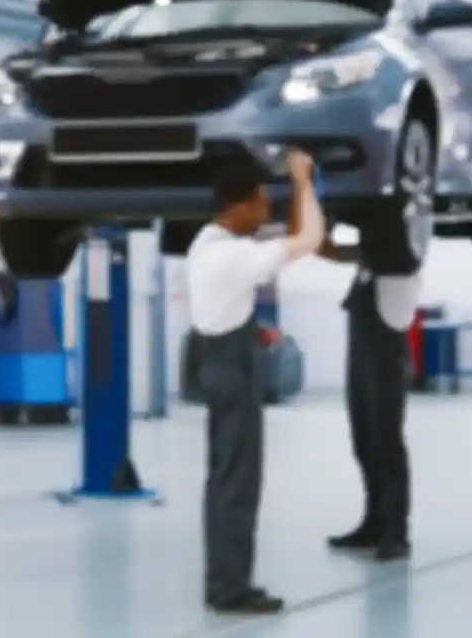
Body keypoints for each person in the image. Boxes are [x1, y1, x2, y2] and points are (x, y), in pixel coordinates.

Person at [186, 150, 323, 613]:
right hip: (232, 370)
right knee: (237, 482)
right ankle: (230, 589)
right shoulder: (233, 255)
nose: (266, 209)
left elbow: (225, 300)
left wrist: (251, 327)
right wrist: (303, 181)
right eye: (262, 202)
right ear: (240, 206)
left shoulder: (206, 242)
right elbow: (309, 239)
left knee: (225, 479)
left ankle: (224, 581)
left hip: (218, 359)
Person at [317, 235, 421, 562]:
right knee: (364, 440)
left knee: (387, 441)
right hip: (362, 356)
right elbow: (332, 250)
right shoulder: (369, 258)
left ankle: (396, 533)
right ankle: (374, 522)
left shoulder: (400, 258)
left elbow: (395, 250)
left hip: (385, 357)